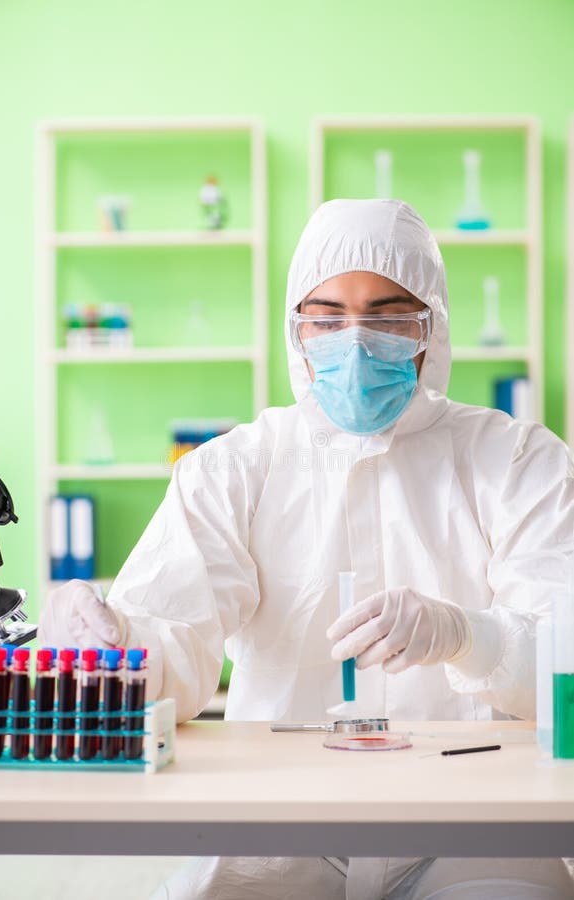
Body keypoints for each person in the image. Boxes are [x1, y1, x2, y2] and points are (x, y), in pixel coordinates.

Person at [39, 199, 574, 899]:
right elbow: (176, 638)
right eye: (326, 317)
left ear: (430, 328)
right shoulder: (235, 467)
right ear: (296, 330)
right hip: (281, 825)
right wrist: (113, 648)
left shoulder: (515, 460)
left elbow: (562, 653)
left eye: (387, 316)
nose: (354, 342)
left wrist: (467, 635)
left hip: (470, 829)